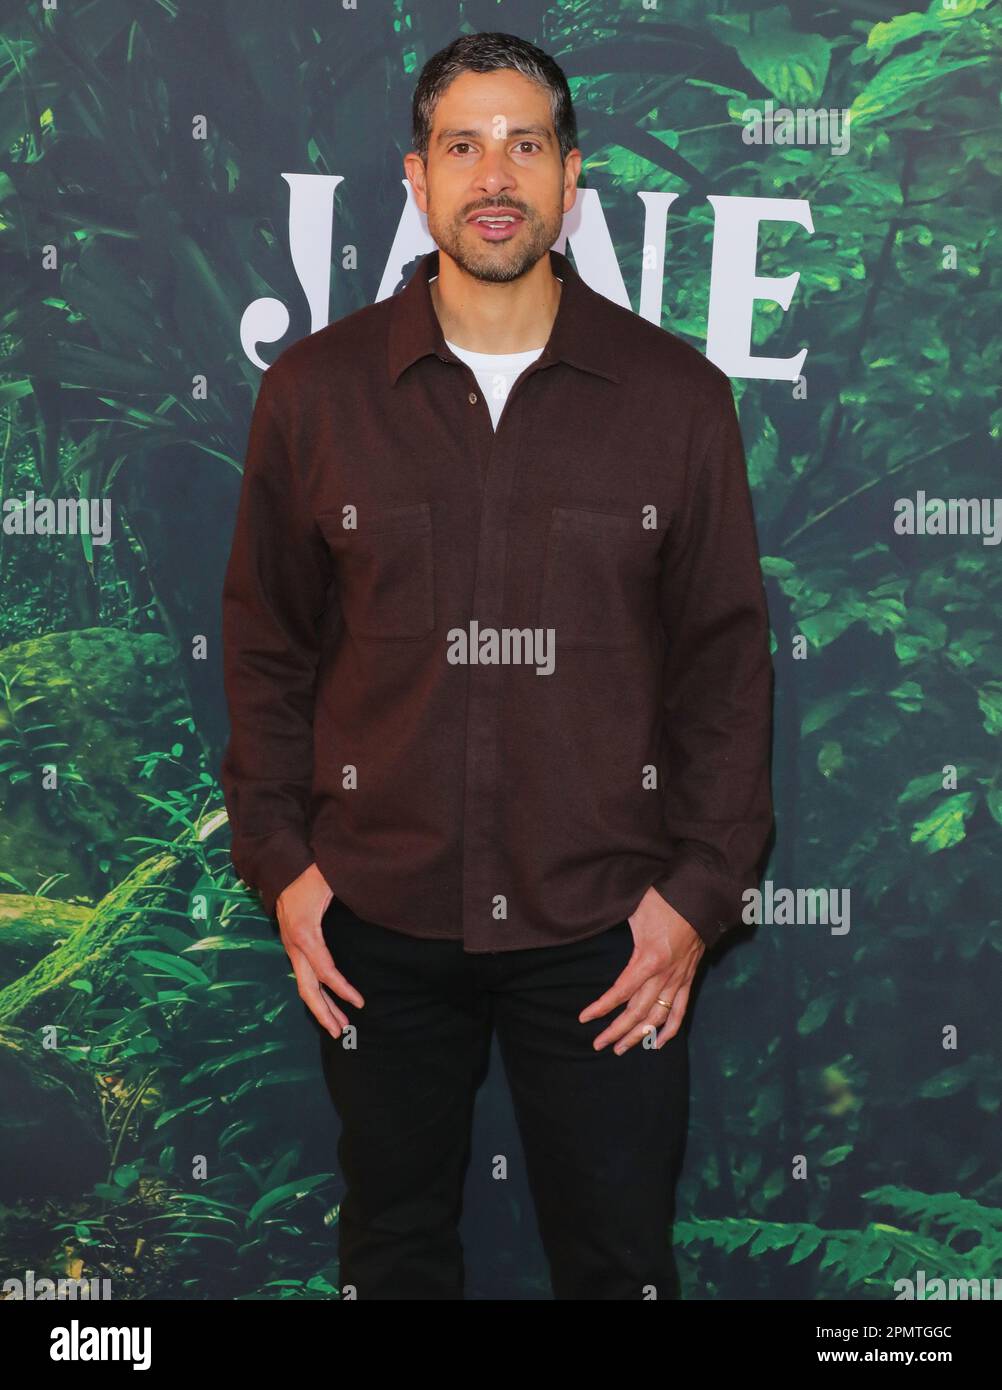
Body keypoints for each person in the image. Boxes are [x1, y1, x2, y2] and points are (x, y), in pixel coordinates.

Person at [221, 31, 774, 1300]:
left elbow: (725, 671)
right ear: (415, 178)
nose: (495, 175)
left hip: (606, 934)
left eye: (526, 144)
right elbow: (265, 647)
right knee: (394, 1254)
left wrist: (697, 897)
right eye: (463, 144)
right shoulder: (316, 394)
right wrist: (286, 869)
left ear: (571, 178)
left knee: (619, 1264)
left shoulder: (674, 399)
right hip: (377, 919)